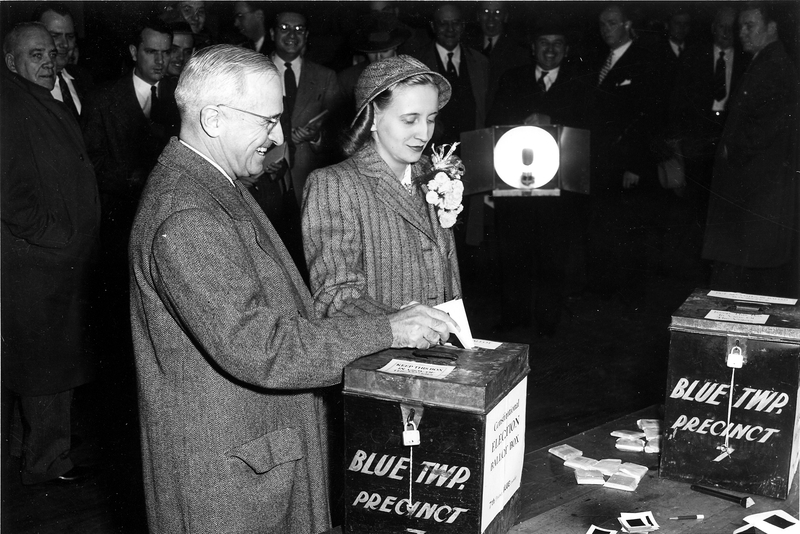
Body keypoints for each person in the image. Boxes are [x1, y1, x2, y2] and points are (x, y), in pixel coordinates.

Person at [129, 44, 458, 533]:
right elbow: (263, 348)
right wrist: (387, 327)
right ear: (214, 119)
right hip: (233, 481)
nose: (278, 136)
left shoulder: (213, 184)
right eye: (266, 121)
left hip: (255, 460)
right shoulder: (189, 216)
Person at [1, 22, 100, 485]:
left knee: (44, 365)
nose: (48, 62)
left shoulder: (36, 97)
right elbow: (9, 194)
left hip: (54, 262)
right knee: (45, 367)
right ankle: (47, 462)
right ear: (10, 61)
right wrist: (55, 234)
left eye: (51, 53)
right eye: (35, 54)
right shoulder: (8, 103)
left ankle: (37, 452)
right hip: (38, 263)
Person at [303, 55, 461, 318]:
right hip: (381, 354)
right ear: (373, 118)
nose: (424, 134)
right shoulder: (335, 185)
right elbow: (335, 296)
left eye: (431, 119)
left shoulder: (434, 173)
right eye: (410, 120)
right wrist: (398, 326)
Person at [486, 22, 587, 336]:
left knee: (553, 256)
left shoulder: (581, 82)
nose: (551, 49)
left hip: (559, 190)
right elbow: (493, 127)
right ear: (533, 47)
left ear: (567, 49)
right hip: (514, 185)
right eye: (544, 42)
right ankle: (513, 317)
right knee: (513, 254)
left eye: (558, 42)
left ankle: (547, 322)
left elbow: (592, 129)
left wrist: (553, 121)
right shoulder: (512, 78)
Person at [702, 2, 799, 296]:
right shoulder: (763, 61)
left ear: (772, 28)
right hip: (750, 191)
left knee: (745, 280)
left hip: (754, 191)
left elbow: (764, 128)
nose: (741, 33)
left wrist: (732, 150)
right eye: (740, 26)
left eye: (750, 26)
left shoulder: (774, 66)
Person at [34, 2, 93, 119]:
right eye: (55, 36)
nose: (65, 44)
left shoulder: (84, 78)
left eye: (70, 36)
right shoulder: (29, 83)